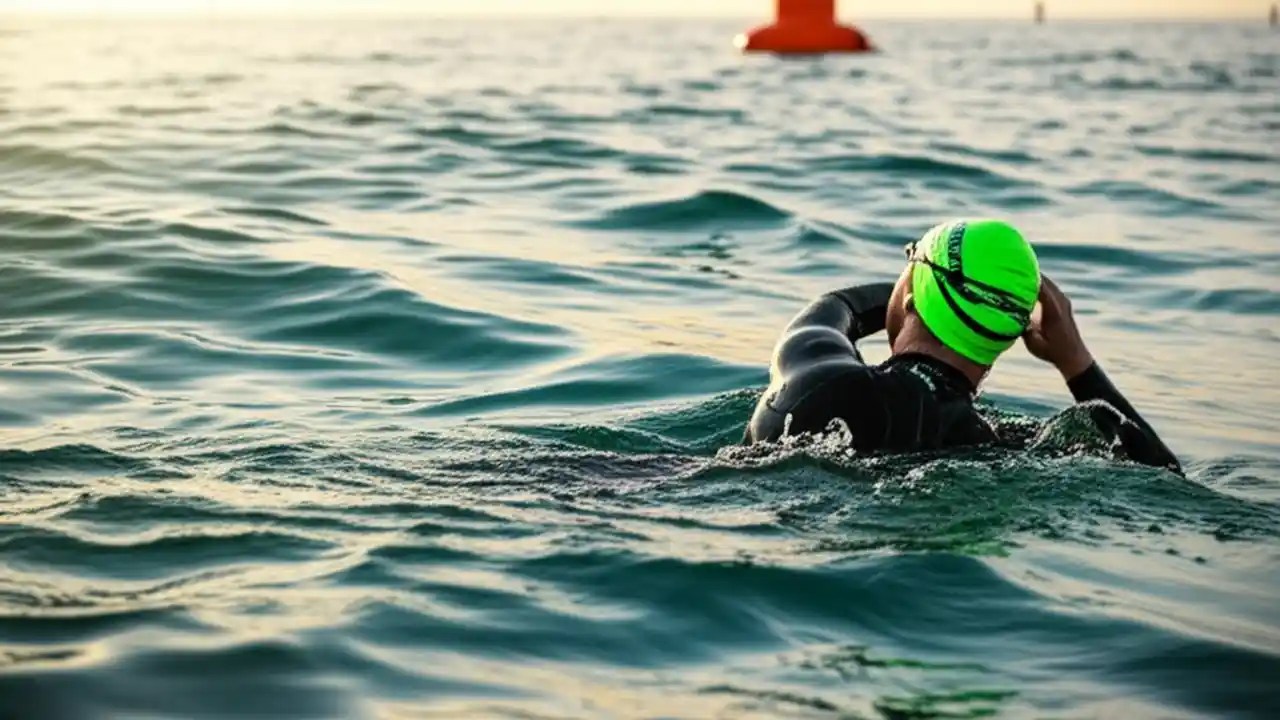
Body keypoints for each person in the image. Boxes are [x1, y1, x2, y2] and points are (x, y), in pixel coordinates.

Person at [743, 219, 1180, 473]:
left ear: (914, 292)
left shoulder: (819, 375)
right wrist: (1075, 362)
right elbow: (1163, 476)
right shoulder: (995, 442)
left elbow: (834, 308)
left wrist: (926, 274)